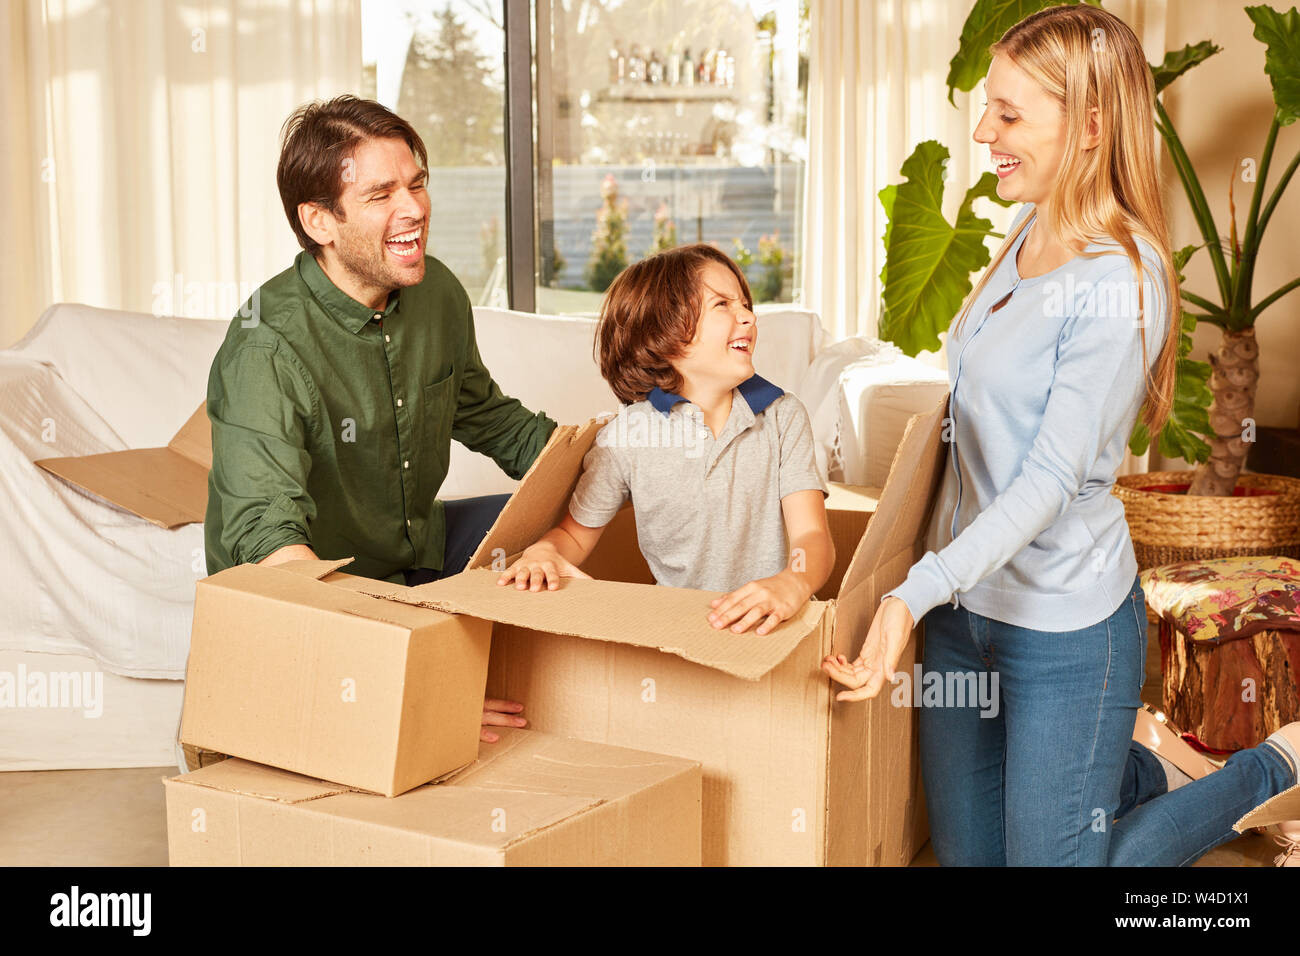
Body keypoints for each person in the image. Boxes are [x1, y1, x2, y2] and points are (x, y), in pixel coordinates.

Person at [823, 4, 1300, 866]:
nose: (982, 132)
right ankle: (1127, 773)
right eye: (987, 110)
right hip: (966, 614)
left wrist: (908, 593)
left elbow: (1044, 482)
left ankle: (1266, 770)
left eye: (1009, 115)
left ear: (1087, 126)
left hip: (1064, 625)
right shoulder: (1026, 227)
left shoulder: (1123, 278)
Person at [205, 95, 552, 741]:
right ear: (320, 223)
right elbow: (271, 547)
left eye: (417, 184)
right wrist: (410, 675)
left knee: (565, 521)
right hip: (316, 594)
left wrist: (612, 467)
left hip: (415, 552)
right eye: (381, 194)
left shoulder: (435, 291)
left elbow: (488, 417)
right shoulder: (266, 347)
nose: (414, 208)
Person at [495, 243, 835, 636]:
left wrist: (794, 582)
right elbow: (574, 533)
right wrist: (544, 552)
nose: (747, 317)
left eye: (745, 304)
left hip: (774, 628)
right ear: (664, 333)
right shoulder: (625, 438)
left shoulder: (782, 416)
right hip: (680, 632)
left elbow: (812, 535)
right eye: (722, 305)